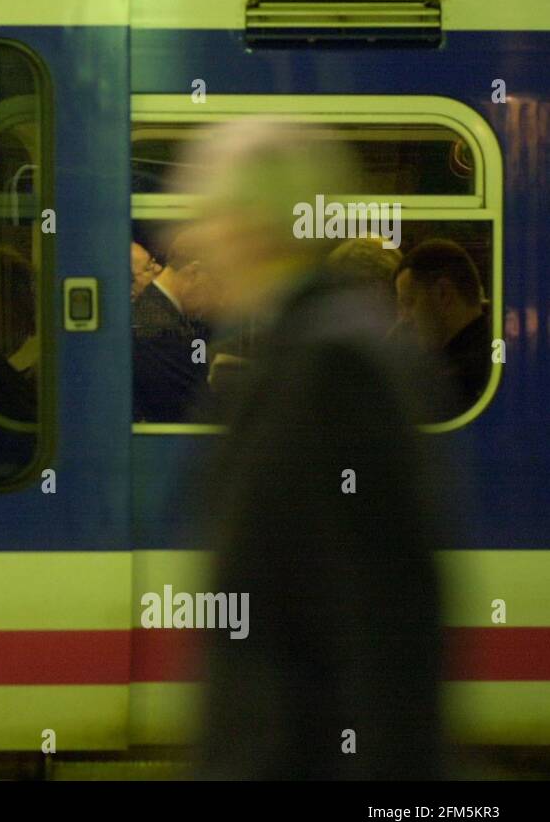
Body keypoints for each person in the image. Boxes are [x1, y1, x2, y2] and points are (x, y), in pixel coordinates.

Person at [176, 118, 444, 779]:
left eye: (207, 216)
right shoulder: (307, 345)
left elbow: (378, 635)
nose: (193, 239)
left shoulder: (332, 364)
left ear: (253, 225)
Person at [393, 239, 491, 420]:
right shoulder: (491, 352)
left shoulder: (452, 384)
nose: (404, 318)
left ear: (443, 294)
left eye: (409, 303)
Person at [131, 230, 215, 422]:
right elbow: (192, 409)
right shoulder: (159, 328)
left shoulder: (165, 314)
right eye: (217, 285)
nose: (218, 299)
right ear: (193, 272)